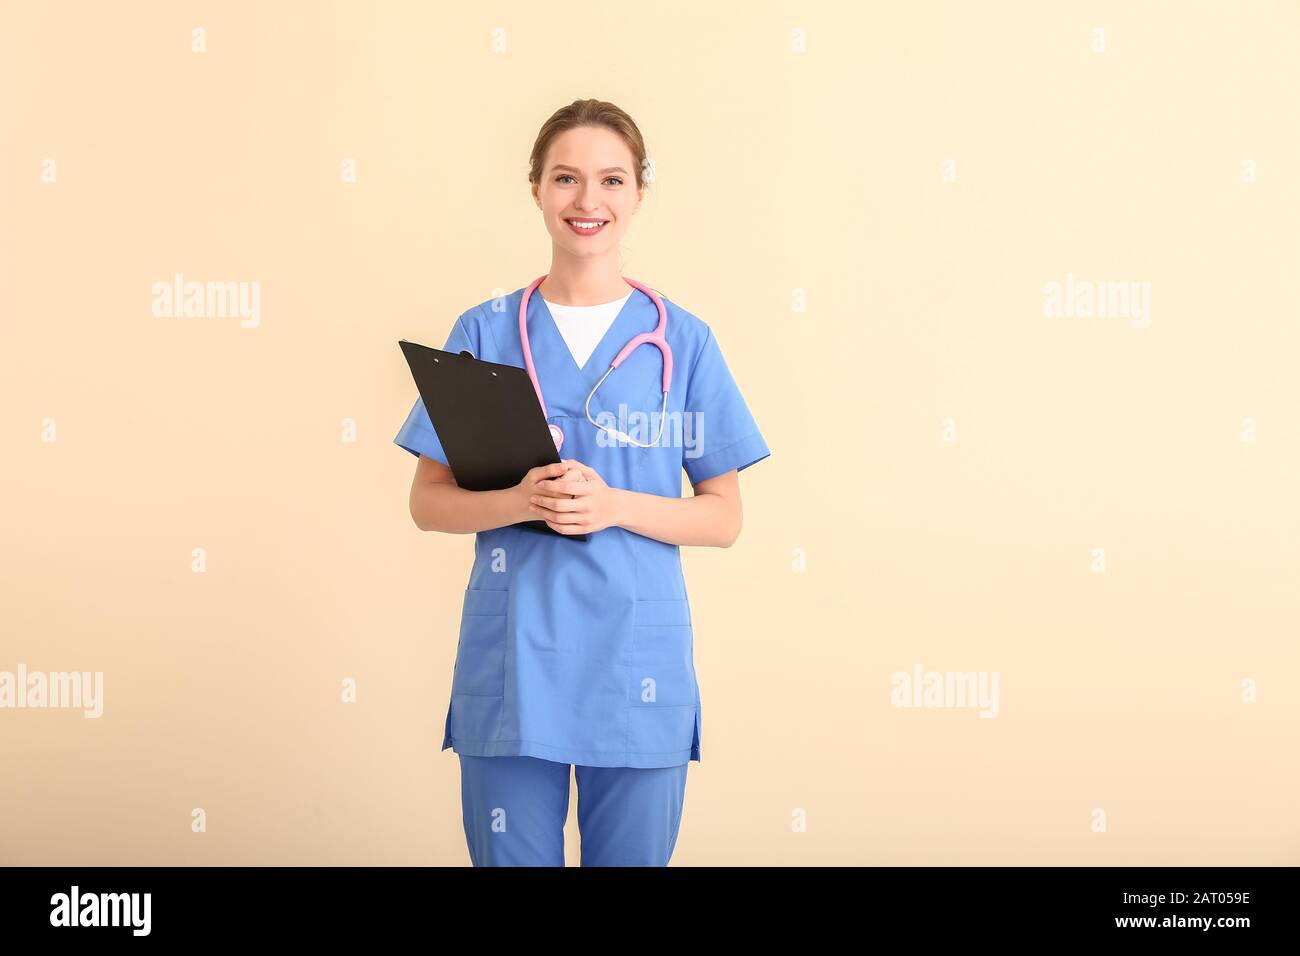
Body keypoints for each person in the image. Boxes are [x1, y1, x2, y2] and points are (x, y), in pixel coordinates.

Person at [393, 98, 770, 866]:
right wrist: (520, 501)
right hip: (515, 663)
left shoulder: (684, 341)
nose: (587, 201)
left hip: (638, 665)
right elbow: (428, 503)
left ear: (638, 193)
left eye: (611, 179)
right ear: (536, 188)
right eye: (566, 178)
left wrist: (614, 506)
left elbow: (723, 516)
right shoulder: (484, 330)